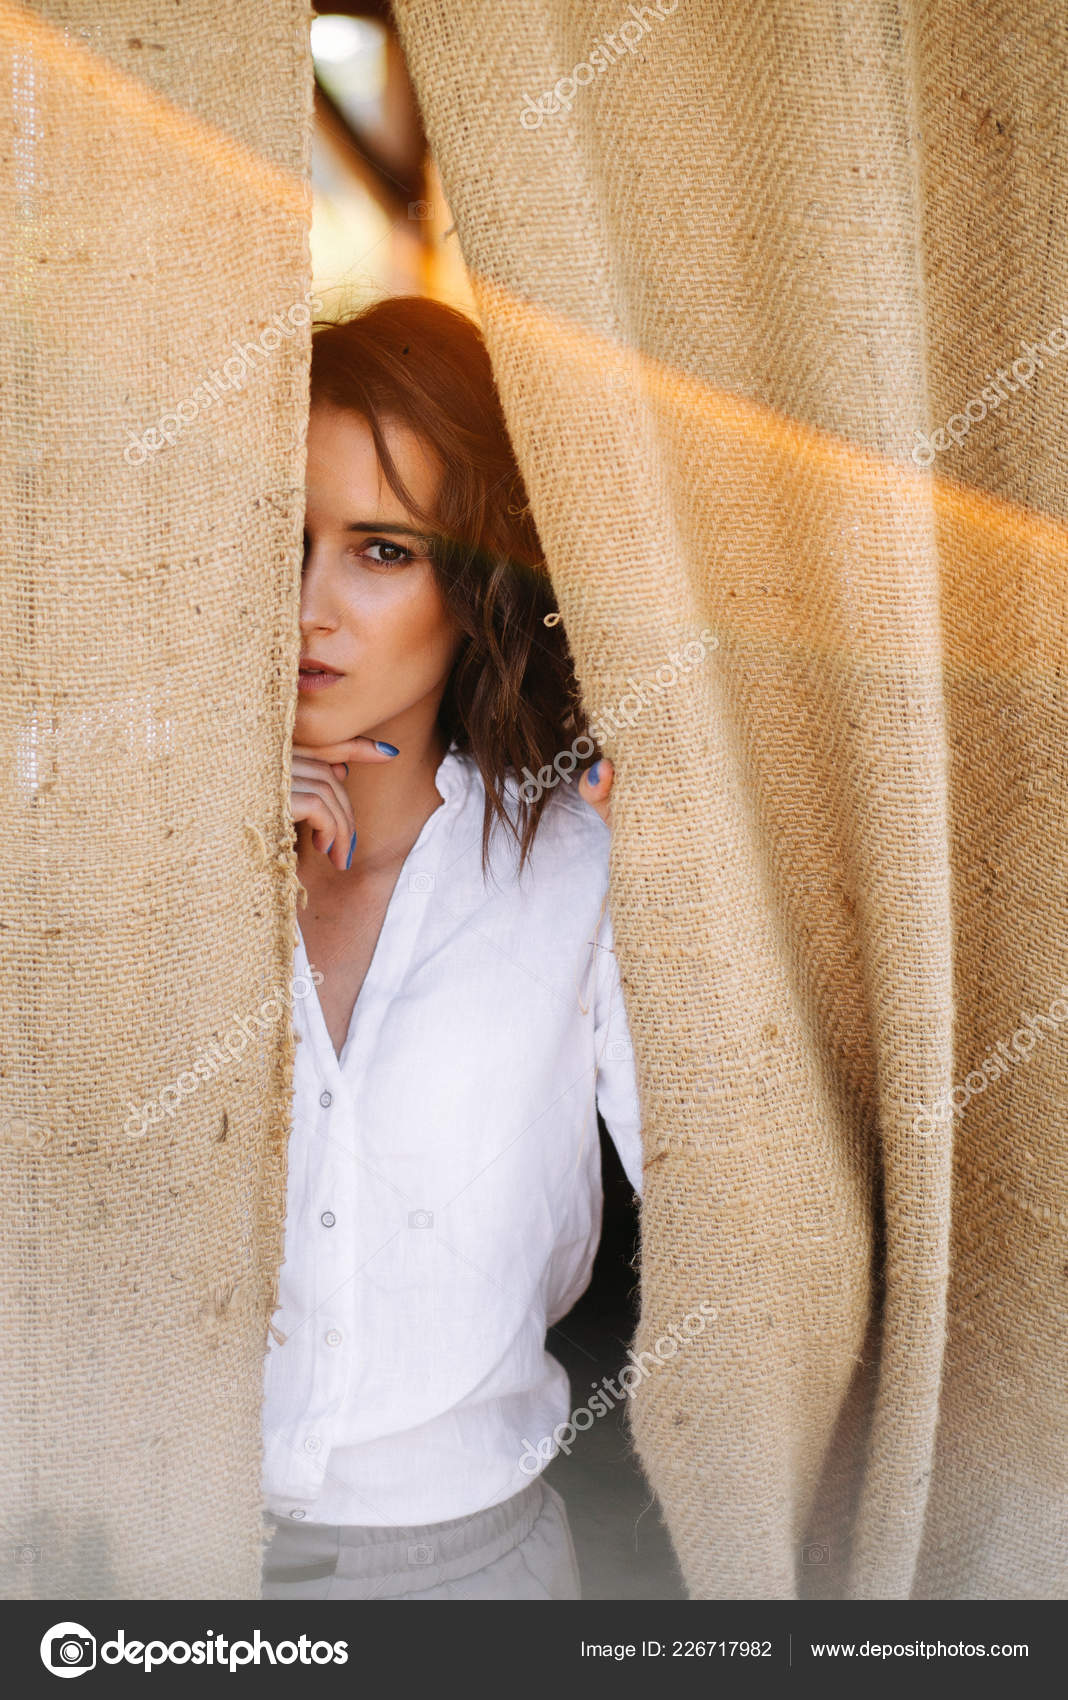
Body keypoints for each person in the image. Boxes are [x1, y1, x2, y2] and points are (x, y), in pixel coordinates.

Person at [260, 295, 642, 1601]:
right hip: (134, 1566)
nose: (312, 608)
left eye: (378, 550)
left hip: (474, 1580)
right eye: (284, 539)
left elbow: (729, 1191)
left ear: (475, 585)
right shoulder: (134, 903)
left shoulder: (574, 875)